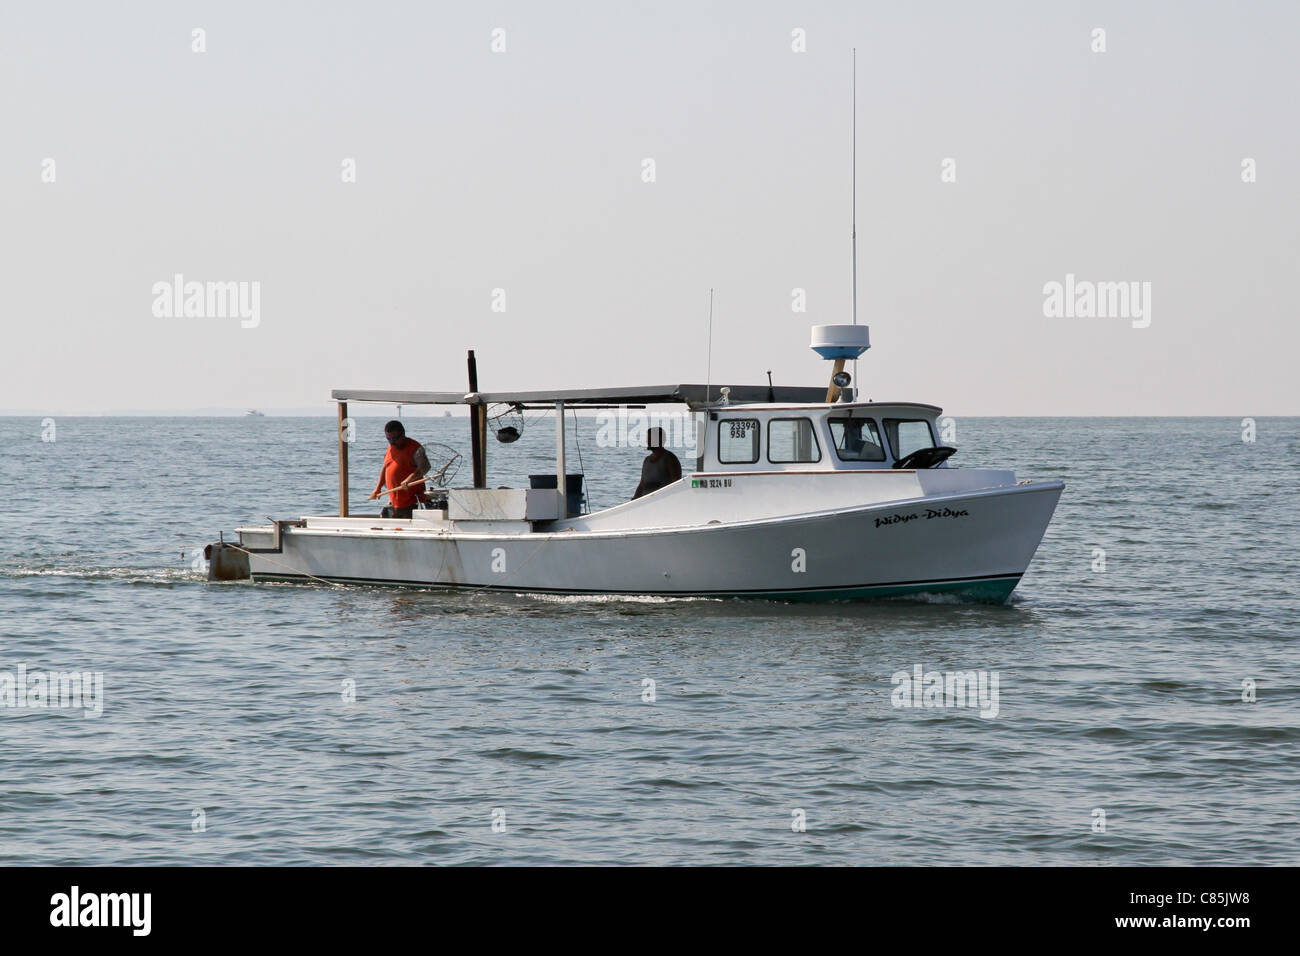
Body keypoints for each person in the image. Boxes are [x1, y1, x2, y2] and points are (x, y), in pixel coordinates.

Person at [368, 420, 432, 518]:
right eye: (389, 439)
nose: (392, 442)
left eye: (395, 438)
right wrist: (378, 488)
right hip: (394, 501)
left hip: (412, 503)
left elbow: (425, 467)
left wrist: (410, 479)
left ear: (403, 434)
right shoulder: (391, 448)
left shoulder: (414, 447)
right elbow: (386, 468)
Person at [633, 426, 682, 499]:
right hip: (645, 503)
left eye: (650, 439)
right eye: (648, 439)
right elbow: (642, 485)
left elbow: (676, 483)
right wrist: (634, 500)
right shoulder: (647, 460)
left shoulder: (669, 459)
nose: (648, 441)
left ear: (660, 440)